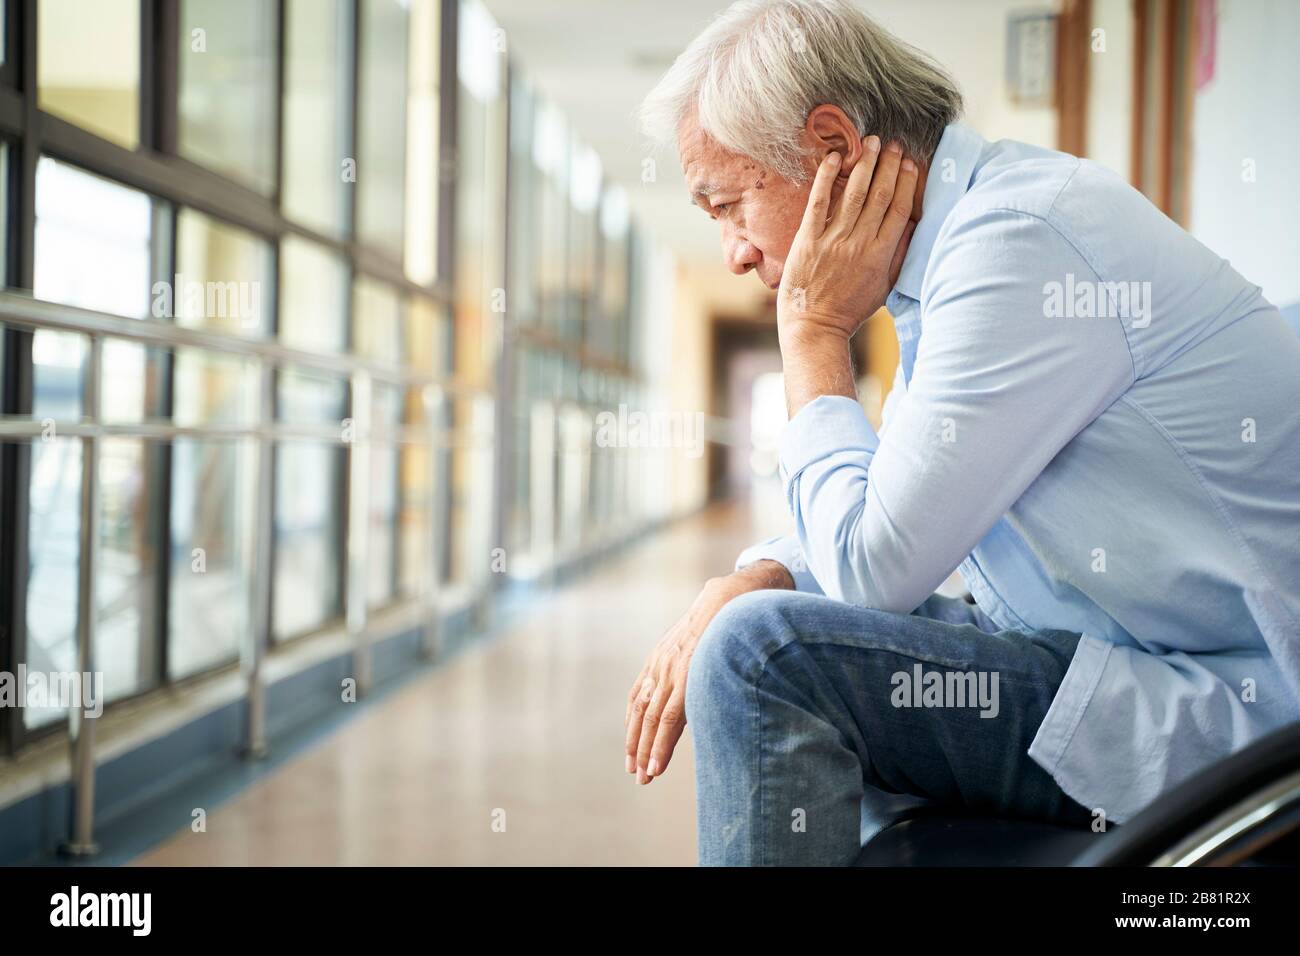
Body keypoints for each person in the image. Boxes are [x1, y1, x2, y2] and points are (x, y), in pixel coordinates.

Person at [623, 0, 1300, 866]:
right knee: (768, 618)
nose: (734, 254)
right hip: (1121, 657)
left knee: (766, 657)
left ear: (831, 148)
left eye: (726, 205)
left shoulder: (1017, 242)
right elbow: (898, 505)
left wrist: (813, 332)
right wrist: (757, 571)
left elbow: (874, 573)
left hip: (1237, 721)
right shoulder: (968, 248)